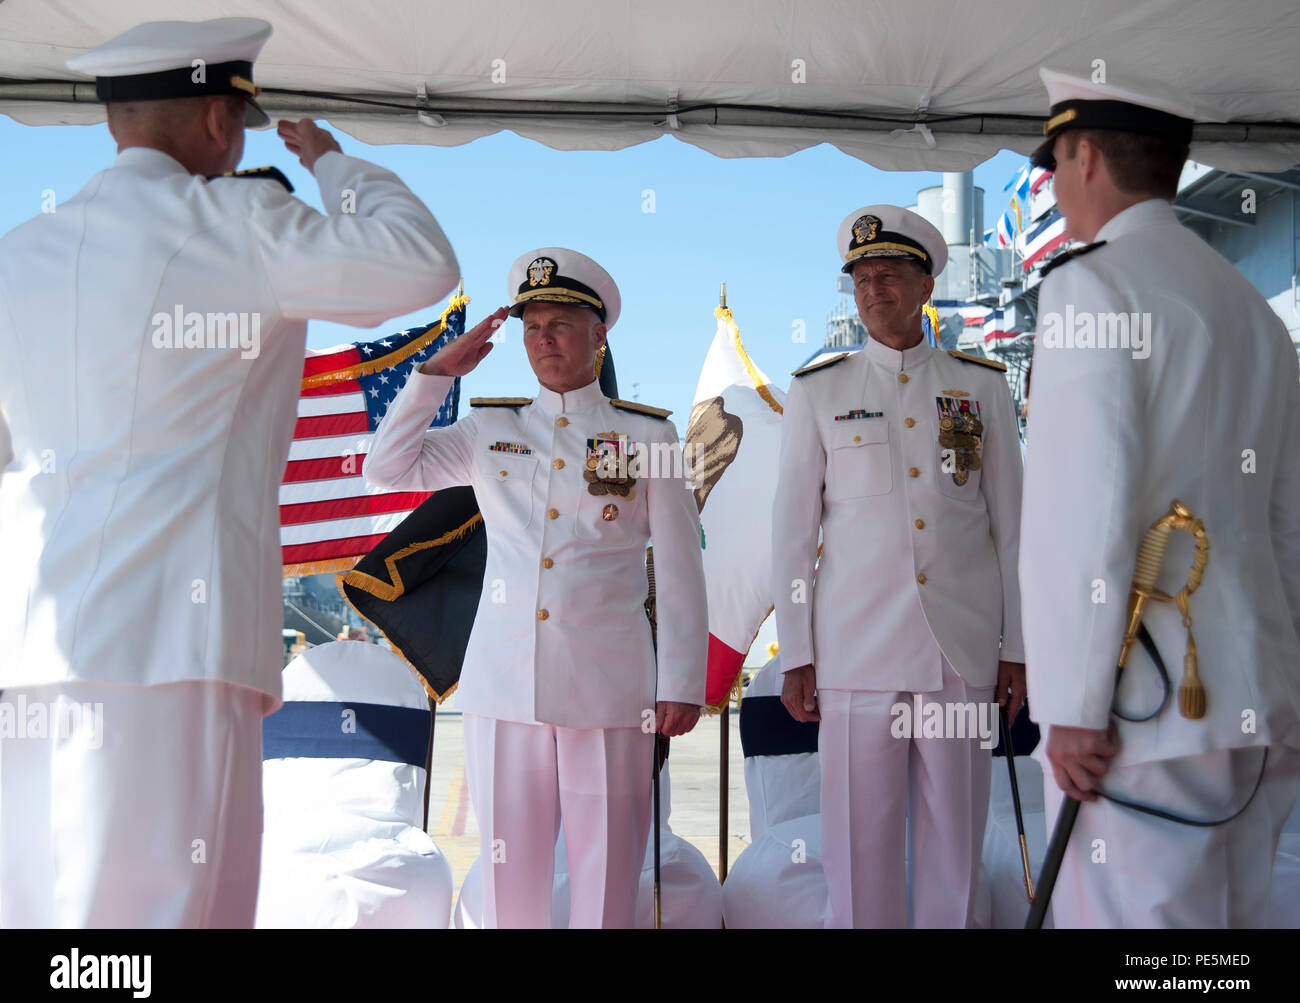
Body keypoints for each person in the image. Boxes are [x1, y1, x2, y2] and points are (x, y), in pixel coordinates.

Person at [0, 17, 459, 927]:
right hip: (173, 641)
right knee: (171, 913)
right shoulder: (239, 222)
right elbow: (420, 263)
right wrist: (334, 163)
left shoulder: (21, 253)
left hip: (28, 649)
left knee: (48, 917)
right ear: (221, 119)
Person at [1019, 67, 1300, 927]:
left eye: (1056, 166)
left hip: (1135, 713)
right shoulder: (1252, 308)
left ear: (1089, 157)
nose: (1055, 190)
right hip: (1254, 699)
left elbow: (1084, 511)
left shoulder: (1088, 287)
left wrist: (1068, 705)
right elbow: (1287, 521)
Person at [363, 247, 707, 928]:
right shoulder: (491, 428)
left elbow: (679, 566)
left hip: (609, 687)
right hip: (504, 682)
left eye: (560, 324)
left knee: (607, 876)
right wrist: (434, 377)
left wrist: (683, 681)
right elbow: (386, 469)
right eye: (532, 326)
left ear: (598, 333)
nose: (543, 339)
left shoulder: (649, 434)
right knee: (507, 876)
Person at [771, 206, 1026, 928]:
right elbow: (791, 535)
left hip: (961, 653)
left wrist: (1018, 649)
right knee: (857, 847)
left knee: (956, 848)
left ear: (926, 284)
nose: (873, 288)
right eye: (860, 277)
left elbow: (1013, 529)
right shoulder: (819, 391)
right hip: (856, 655)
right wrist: (797, 653)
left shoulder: (981, 388)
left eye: (889, 274)